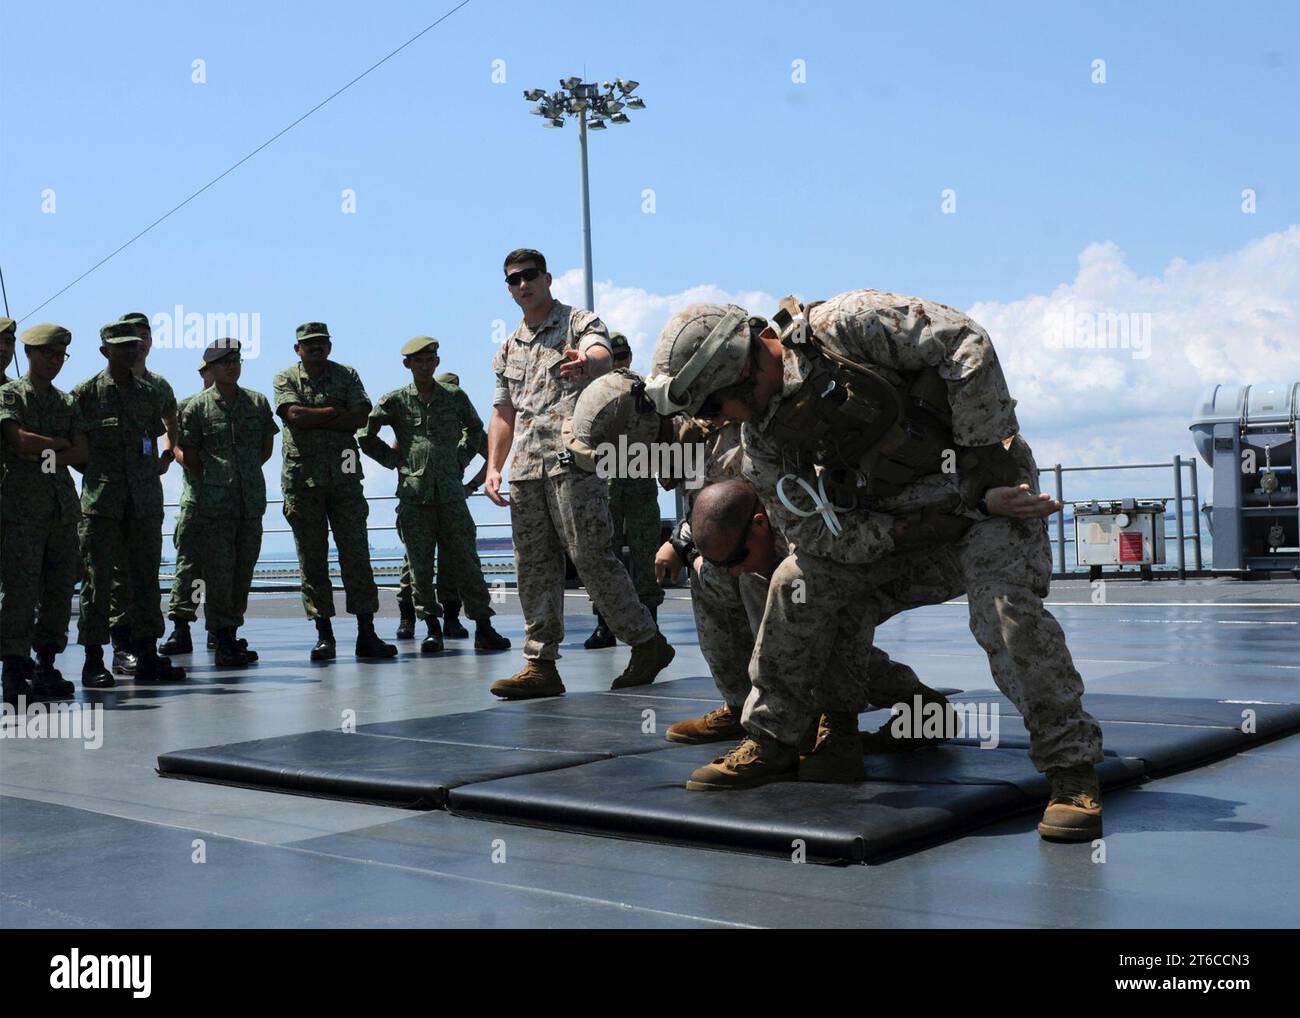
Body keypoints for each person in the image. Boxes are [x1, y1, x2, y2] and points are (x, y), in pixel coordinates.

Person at [645, 293, 1104, 841]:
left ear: (739, 372)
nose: (716, 421)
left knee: (1003, 610)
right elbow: (814, 534)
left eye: (716, 407)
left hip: (995, 500)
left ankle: (1070, 768)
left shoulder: (845, 327)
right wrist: (901, 532)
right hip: (905, 528)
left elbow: (965, 342)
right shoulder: (764, 441)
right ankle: (785, 739)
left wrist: (981, 470)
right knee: (800, 585)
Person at [483, 248, 673, 700]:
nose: (523, 285)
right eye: (513, 280)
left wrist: (589, 362)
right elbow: (503, 412)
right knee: (533, 566)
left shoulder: (576, 322)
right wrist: (493, 466)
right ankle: (540, 664)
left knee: (590, 556)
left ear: (547, 278)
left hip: (574, 462)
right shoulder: (508, 347)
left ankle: (647, 643)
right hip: (527, 470)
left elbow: (601, 352)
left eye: (530, 276)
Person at [359, 337, 509, 654]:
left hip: (451, 496)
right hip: (415, 498)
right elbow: (365, 433)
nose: (425, 366)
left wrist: (460, 459)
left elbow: (475, 428)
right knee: (420, 568)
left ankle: (483, 626)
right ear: (408, 365)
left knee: (468, 563)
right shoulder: (396, 401)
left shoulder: (454, 397)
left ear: (437, 363)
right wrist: (394, 460)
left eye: (430, 360)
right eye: (418, 361)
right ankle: (432, 628)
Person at [71, 320, 185, 686]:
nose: (131, 351)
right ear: (105, 351)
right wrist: (95, 473)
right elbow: (74, 445)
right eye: (122, 346)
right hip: (102, 504)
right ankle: (94, 660)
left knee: (146, 579)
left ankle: (148, 654)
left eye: (135, 345)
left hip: (144, 501)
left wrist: (166, 456)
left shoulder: (150, 393)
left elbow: (169, 420)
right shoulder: (85, 394)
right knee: (97, 582)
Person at [273, 322, 396, 661]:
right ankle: (324, 635)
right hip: (303, 482)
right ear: (297, 348)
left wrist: (323, 417)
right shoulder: (286, 379)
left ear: (329, 345)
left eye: (321, 343)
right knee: (312, 560)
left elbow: (360, 417)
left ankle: (366, 633)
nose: (316, 348)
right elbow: (293, 414)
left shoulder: (347, 374)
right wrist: (333, 412)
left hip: (344, 480)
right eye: (308, 344)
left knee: (357, 556)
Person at [0, 324, 87, 703]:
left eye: (60, 356)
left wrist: (45, 453)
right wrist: (58, 444)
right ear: (30, 354)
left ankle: (46, 664)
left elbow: (83, 452)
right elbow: (17, 440)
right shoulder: (10, 395)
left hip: (61, 510)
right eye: (48, 354)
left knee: (58, 589)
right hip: (20, 509)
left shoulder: (67, 402)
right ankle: (14, 672)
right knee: (19, 591)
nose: (54, 362)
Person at [177, 340, 278, 665]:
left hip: (249, 503)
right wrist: (218, 480)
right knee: (218, 574)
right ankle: (221, 639)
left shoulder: (257, 402)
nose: (232, 367)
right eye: (224, 363)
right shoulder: (196, 407)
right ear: (211, 369)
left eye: (236, 361)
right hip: (215, 506)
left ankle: (232, 635)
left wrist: (242, 474)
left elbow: (265, 448)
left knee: (242, 571)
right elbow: (190, 456)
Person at [394, 370, 490, 641]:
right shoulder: (416, 423)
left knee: (453, 563)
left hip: (450, 500)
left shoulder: (468, 429)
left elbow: (492, 456)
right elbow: (399, 453)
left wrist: (470, 486)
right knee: (412, 566)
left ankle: (451, 619)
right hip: (419, 502)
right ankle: (408, 617)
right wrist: (410, 481)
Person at [583, 333, 664, 649]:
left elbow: (665, 428)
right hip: (605, 489)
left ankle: (652, 625)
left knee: (646, 556)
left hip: (642, 486)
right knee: (605, 559)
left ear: (630, 356)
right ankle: (604, 626)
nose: (619, 361)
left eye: (623, 355)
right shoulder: (594, 395)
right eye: (613, 356)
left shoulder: (648, 390)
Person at [160, 358, 214, 656]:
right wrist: (178, 456)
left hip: (231, 502)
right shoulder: (188, 405)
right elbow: (171, 434)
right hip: (197, 499)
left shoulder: (244, 403)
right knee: (189, 568)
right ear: (204, 373)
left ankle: (221, 630)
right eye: (211, 369)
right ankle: (181, 628)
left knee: (225, 570)